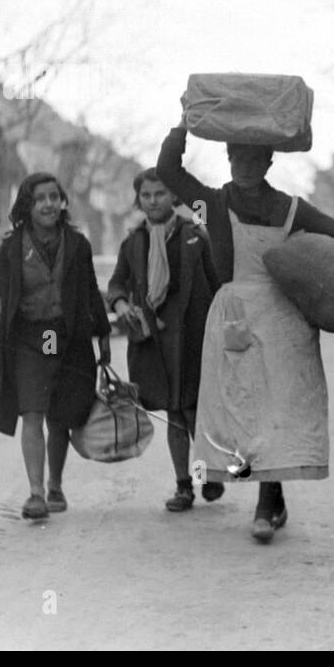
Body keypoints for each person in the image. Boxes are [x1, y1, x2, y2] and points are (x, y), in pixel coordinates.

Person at [157, 123, 334, 543]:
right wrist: (184, 123)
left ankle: (267, 504)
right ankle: (273, 496)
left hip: (284, 321)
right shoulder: (212, 202)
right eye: (236, 158)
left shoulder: (291, 209)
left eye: (253, 158)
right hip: (235, 322)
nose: (244, 166)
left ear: (269, 161)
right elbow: (168, 171)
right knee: (243, 411)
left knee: (278, 410)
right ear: (227, 159)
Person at [0, 172, 111, 521]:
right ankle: (36, 493)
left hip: (66, 339)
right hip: (30, 340)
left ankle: (55, 484)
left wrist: (104, 334)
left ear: (62, 201)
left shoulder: (77, 246)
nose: (49, 204)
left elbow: (92, 291)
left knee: (60, 415)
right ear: (28, 206)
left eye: (54, 197)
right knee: (32, 411)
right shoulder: (11, 248)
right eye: (40, 199)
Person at [107, 168, 222, 512]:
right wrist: (123, 303)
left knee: (193, 410)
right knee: (173, 412)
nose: (153, 200)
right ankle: (183, 486)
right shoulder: (133, 242)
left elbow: (218, 286)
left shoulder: (195, 236)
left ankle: (207, 474)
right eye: (146, 195)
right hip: (154, 340)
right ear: (138, 199)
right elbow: (116, 284)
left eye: (159, 193)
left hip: (192, 337)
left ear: (173, 197)